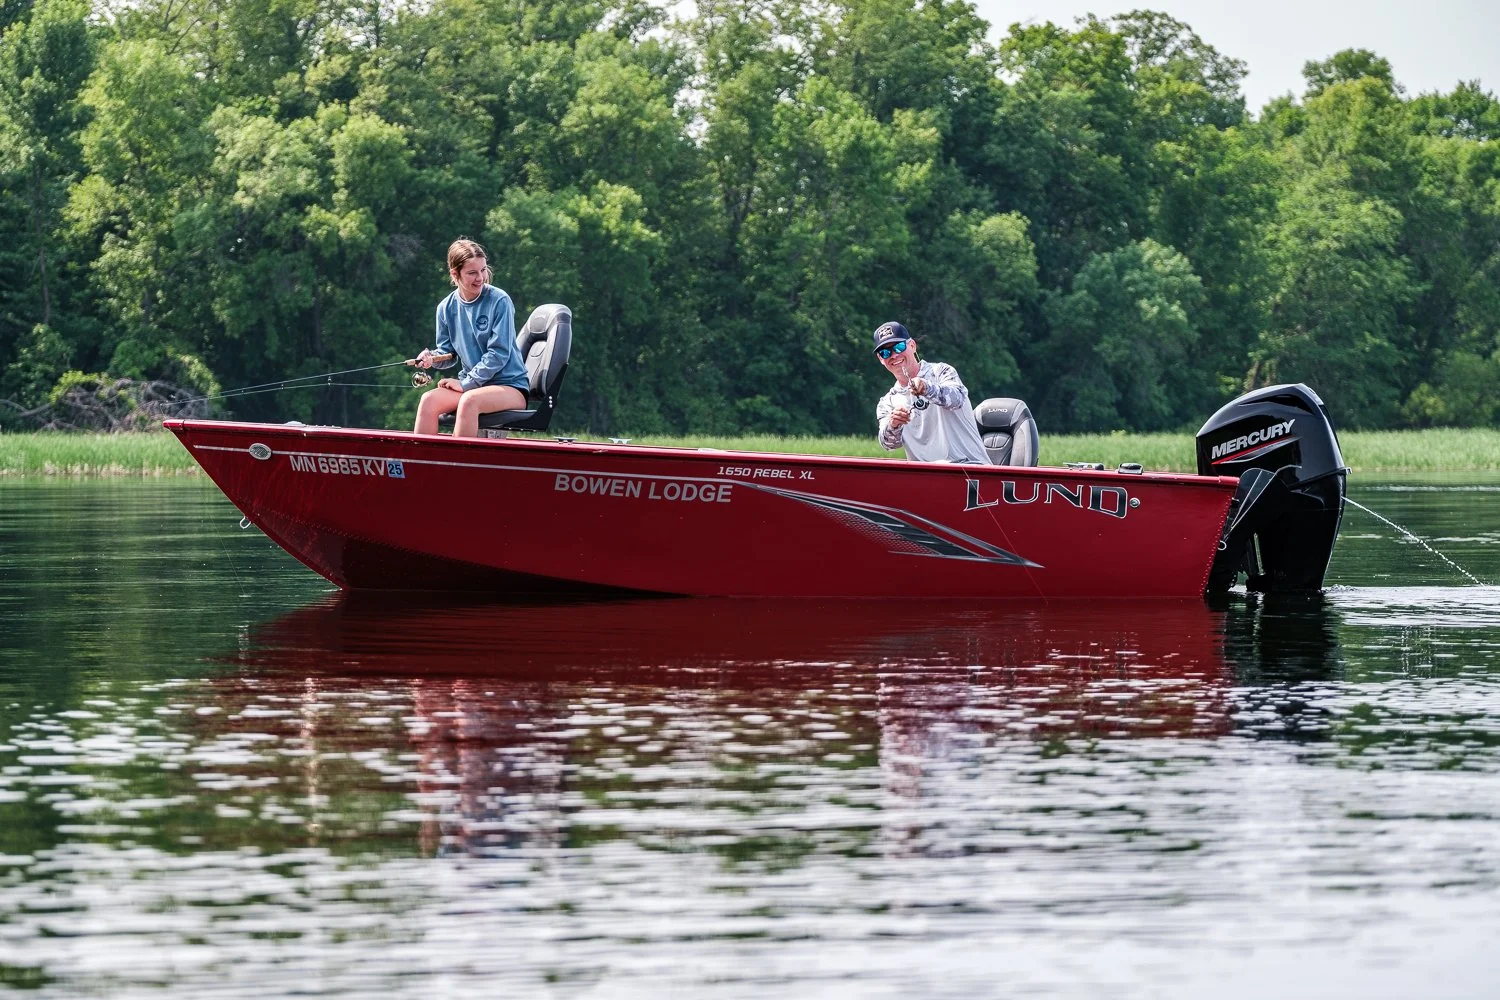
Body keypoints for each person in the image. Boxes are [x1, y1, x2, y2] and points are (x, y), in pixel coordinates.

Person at [412, 239, 530, 437]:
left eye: (483, 270)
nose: (481, 278)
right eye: (472, 273)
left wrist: (467, 384)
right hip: (472, 385)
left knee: (469, 401)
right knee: (428, 400)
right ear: (454, 274)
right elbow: (448, 353)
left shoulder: (500, 300)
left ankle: (457, 466)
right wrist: (431, 358)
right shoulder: (445, 308)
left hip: (510, 387)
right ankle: (422, 465)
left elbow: (499, 353)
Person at [873, 321, 989, 464]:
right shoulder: (887, 403)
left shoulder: (941, 372)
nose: (893, 355)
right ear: (880, 359)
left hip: (970, 470)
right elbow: (888, 444)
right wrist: (894, 424)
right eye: (885, 352)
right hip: (924, 479)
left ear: (912, 346)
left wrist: (927, 388)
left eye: (899, 347)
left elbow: (957, 399)